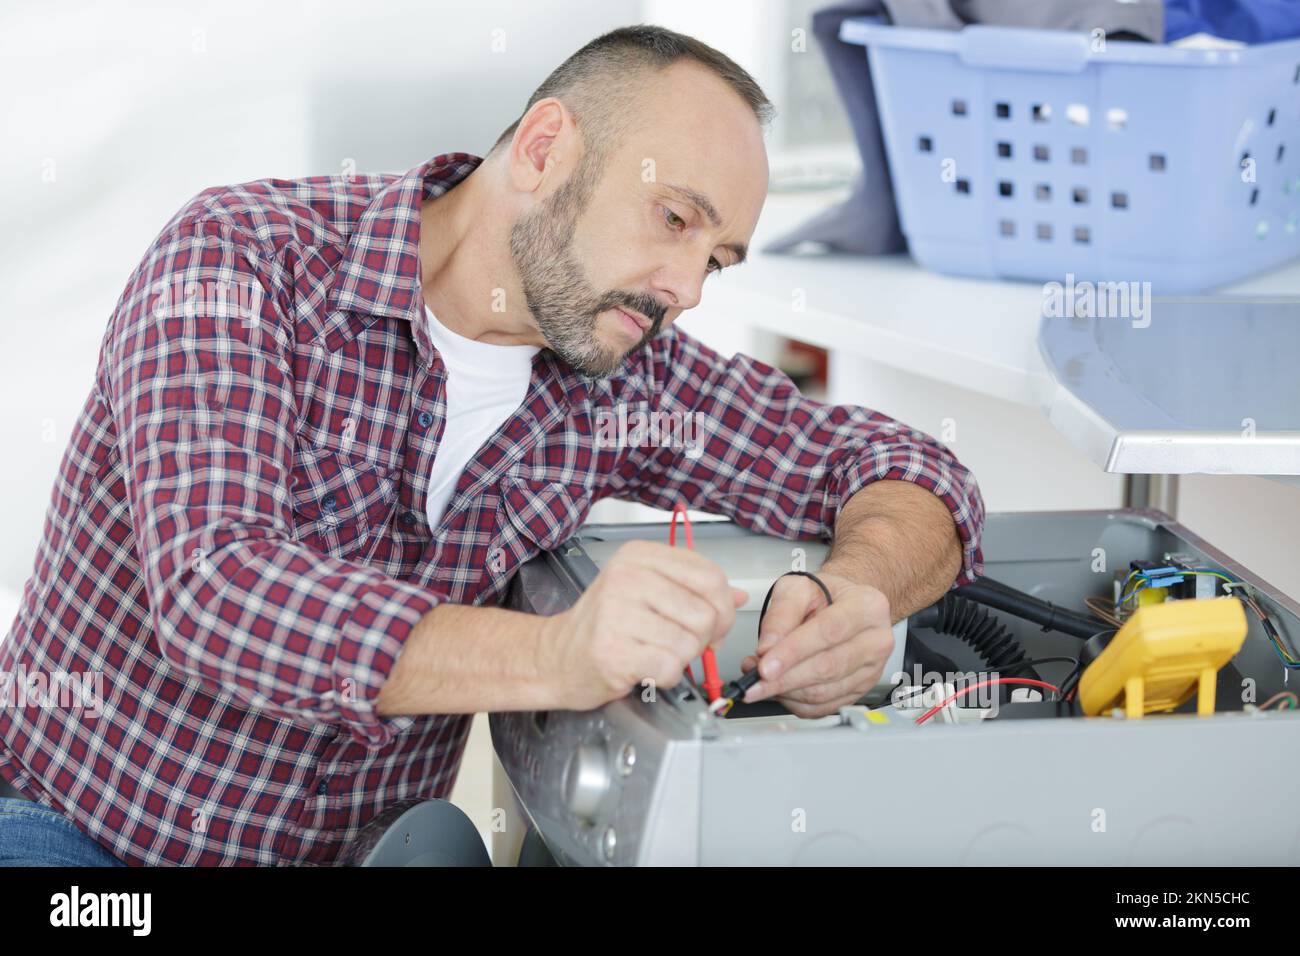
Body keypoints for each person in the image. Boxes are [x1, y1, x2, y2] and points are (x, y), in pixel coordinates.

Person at [0, 24, 983, 866]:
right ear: (544, 149)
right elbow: (218, 592)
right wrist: (559, 650)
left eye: (713, 260)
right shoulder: (239, 258)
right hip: (77, 833)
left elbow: (911, 470)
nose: (684, 285)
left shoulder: (626, 367)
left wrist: (862, 591)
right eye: (673, 216)